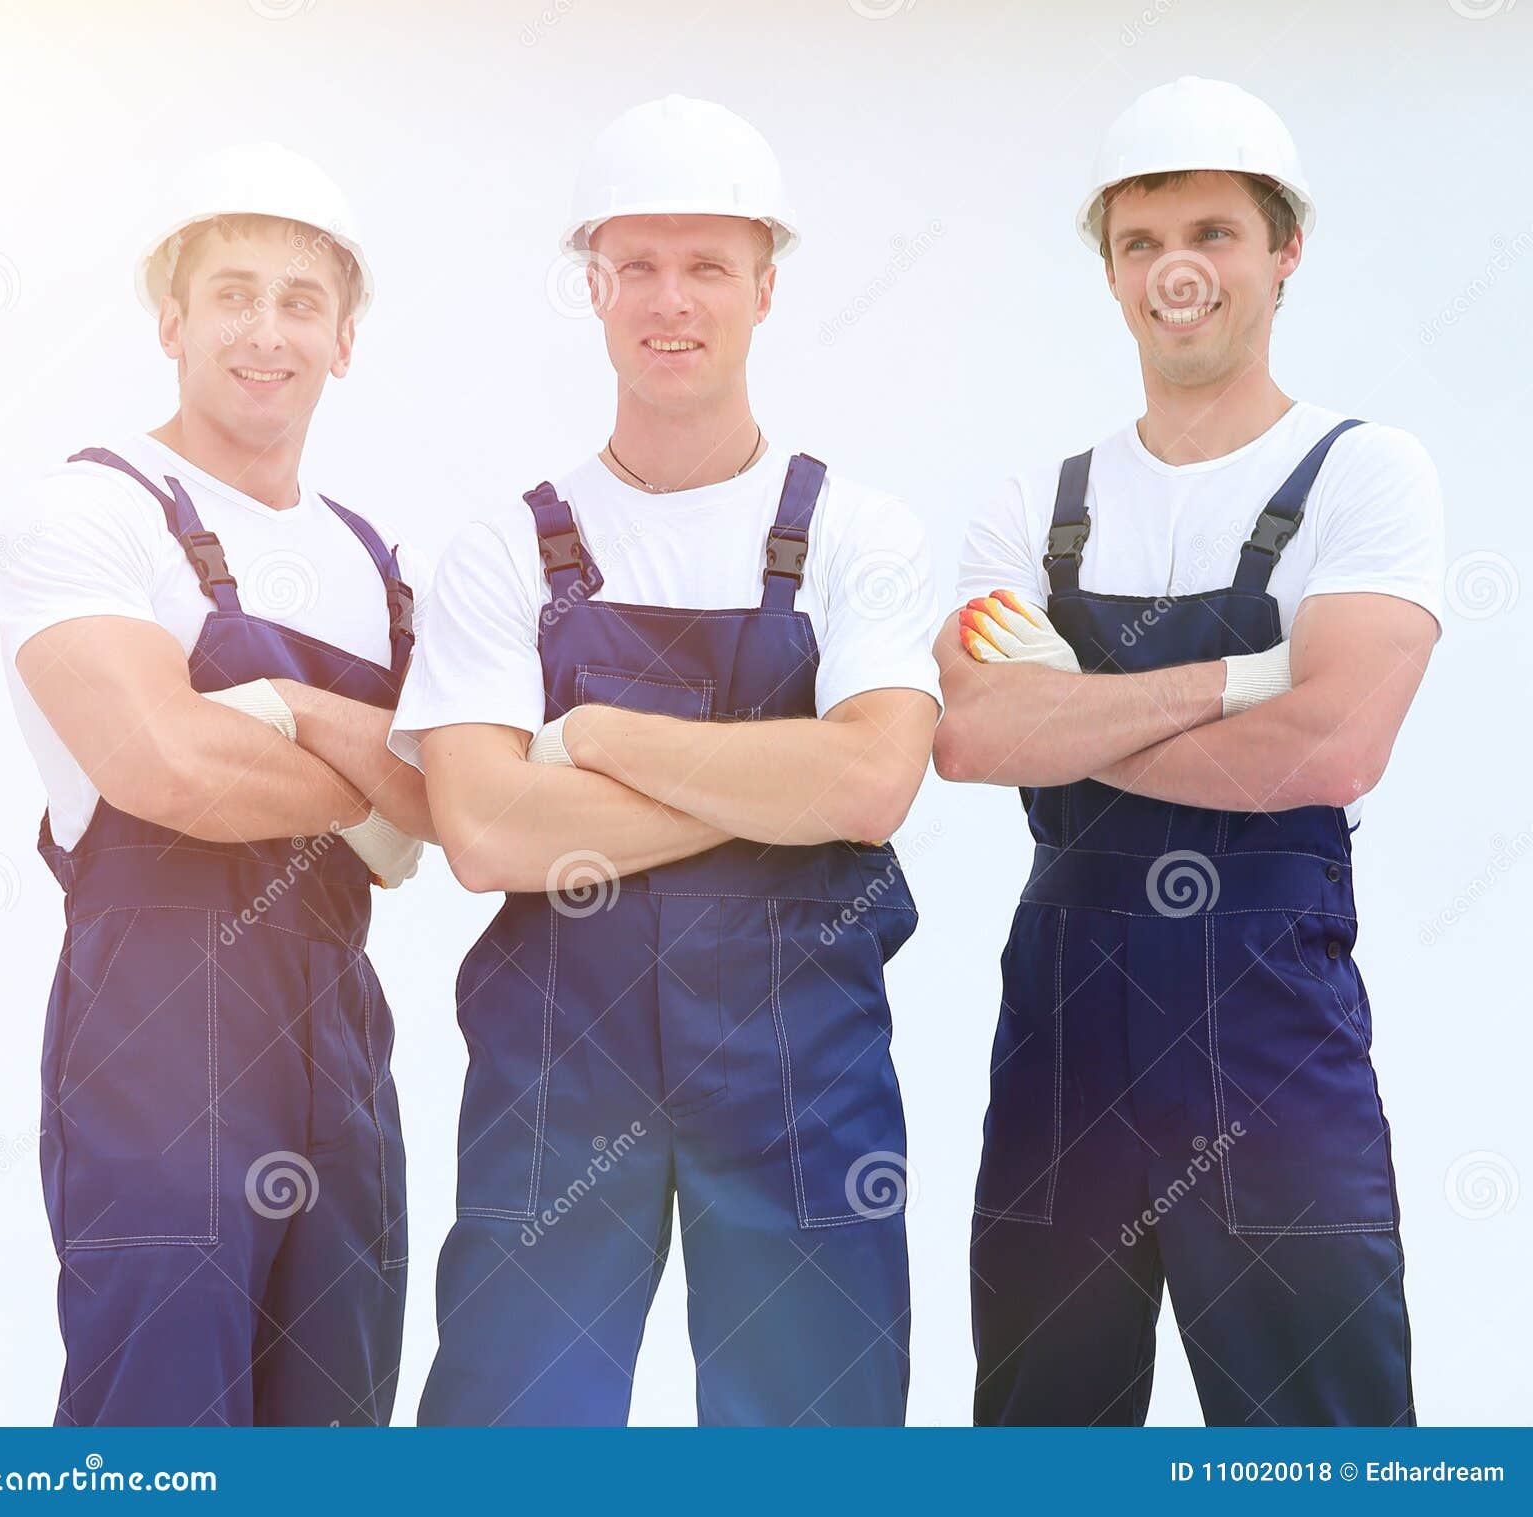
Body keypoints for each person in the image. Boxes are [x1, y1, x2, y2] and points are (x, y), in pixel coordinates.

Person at [390, 95, 941, 1426]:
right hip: (557, 1076)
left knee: (816, 1450)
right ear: (593, 285)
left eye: (707, 265)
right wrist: (774, 779)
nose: (670, 298)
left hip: (802, 1072)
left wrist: (599, 743)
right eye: (637, 264)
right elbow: (487, 836)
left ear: (765, 285)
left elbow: (873, 785)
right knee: (506, 1443)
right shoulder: (505, 549)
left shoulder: (864, 532)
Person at [935, 77, 1443, 1426]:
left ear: (1285, 254)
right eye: (1142, 242)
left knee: (1326, 1458)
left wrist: (1074, 713)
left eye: (1213, 233)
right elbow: (975, 733)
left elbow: (1332, 744)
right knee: (1044, 1443)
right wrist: (1240, 677)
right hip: (1061, 1040)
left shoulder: (1364, 472)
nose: (1178, 271)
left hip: (1271, 1040)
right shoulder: (1032, 506)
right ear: (1108, 269)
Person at [0, 142, 430, 1426]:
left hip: (341, 1032)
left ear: (345, 338)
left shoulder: (370, 559)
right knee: (160, 1421)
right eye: (232, 293)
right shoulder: (87, 511)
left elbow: (443, 813)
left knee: (336, 1417)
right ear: (171, 318)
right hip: (156, 1026)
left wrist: (274, 711)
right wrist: (348, 743)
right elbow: (163, 763)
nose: (266, 331)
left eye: (301, 301)